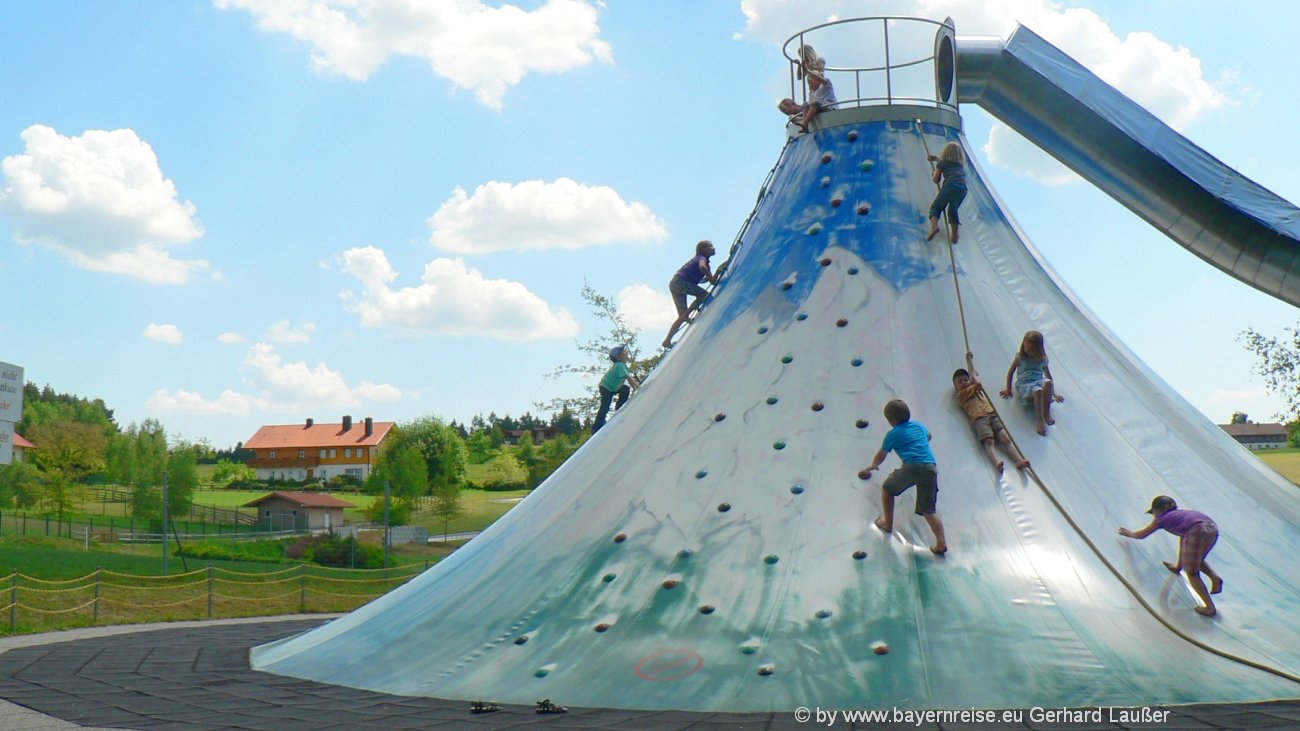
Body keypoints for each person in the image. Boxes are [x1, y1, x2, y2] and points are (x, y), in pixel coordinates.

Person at [861, 399, 947, 554]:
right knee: (929, 511)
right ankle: (941, 542)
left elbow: (882, 454)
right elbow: (929, 437)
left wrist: (873, 466)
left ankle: (888, 523)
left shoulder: (893, 434)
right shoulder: (919, 426)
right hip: (930, 468)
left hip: (912, 467)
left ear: (890, 420)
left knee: (887, 489)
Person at [1119, 495, 1223, 617]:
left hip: (1197, 530)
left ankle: (1209, 607)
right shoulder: (1181, 515)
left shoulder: (1162, 519)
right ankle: (1215, 578)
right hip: (1212, 528)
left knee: (1192, 573)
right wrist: (1178, 567)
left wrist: (1129, 533)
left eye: (1154, 512)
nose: (1154, 516)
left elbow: (1142, 535)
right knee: (1195, 559)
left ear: (1162, 509)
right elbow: (1183, 545)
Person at [953, 352, 1030, 472]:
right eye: (960, 382)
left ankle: (1019, 460)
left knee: (1005, 439)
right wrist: (969, 365)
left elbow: (974, 374)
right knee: (989, 441)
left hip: (991, 415)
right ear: (956, 387)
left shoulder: (975, 387)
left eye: (965, 380)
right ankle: (996, 462)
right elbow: (976, 381)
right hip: (979, 419)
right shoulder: (961, 395)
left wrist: (969, 361)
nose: (964, 383)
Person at [1000, 330, 1065, 436]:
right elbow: (1010, 373)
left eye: (1031, 349)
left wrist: (1053, 393)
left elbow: (1048, 375)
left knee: (1048, 383)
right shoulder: (1020, 358)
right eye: (1025, 348)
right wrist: (1008, 388)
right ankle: (1040, 421)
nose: (1027, 351)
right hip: (1025, 385)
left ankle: (1046, 413)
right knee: (1038, 390)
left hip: (1038, 381)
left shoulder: (1042, 359)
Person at [661, 240, 719, 349]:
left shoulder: (701, 261)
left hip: (675, 283)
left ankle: (667, 340)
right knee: (704, 295)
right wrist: (712, 277)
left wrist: (716, 272)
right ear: (703, 250)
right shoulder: (702, 258)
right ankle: (687, 314)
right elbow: (703, 268)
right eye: (710, 246)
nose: (714, 248)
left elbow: (709, 280)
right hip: (680, 282)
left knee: (682, 317)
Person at [777, 46, 836, 132]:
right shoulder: (813, 91)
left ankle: (804, 122)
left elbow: (820, 69)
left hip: (827, 104)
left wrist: (808, 68)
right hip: (817, 99)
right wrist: (800, 66)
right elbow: (799, 77)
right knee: (807, 104)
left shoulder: (825, 84)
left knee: (813, 103)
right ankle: (804, 122)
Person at [592, 344, 640, 433]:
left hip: (612, 386)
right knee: (605, 406)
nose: (627, 353)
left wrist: (635, 388)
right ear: (620, 356)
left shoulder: (621, 365)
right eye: (624, 352)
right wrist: (638, 388)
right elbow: (628, 378)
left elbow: (628, 379)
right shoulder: (620, 365)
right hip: (606, 387)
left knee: (625, 389)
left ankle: (619, 406)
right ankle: (597, 427)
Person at [926, 142, 967, 243]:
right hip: (962, 188)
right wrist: (936, 159)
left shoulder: (942, 164)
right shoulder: (960, 166)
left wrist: (934, 173)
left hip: (950, 185)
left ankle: (934, 227)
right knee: (953, 210)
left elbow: (936, 180)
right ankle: (954, 234)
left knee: (936, 207)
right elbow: (946, 164)